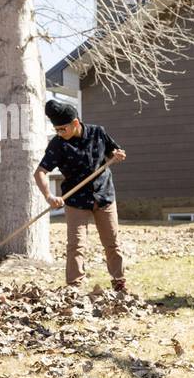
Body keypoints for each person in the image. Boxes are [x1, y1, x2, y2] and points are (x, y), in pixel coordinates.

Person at [34, 100, 128, 292]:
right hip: (76, 200)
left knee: (112, 242)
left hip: (104, 195)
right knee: (76, 245)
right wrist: (49, 196)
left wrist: (118, 156)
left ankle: (119, 282)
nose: (59, 133)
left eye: (62, 129)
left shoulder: (98, 133)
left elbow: (116, 153)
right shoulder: (57, 144)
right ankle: (74, 288)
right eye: (56, 129)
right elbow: (40, 172)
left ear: (75, 123)